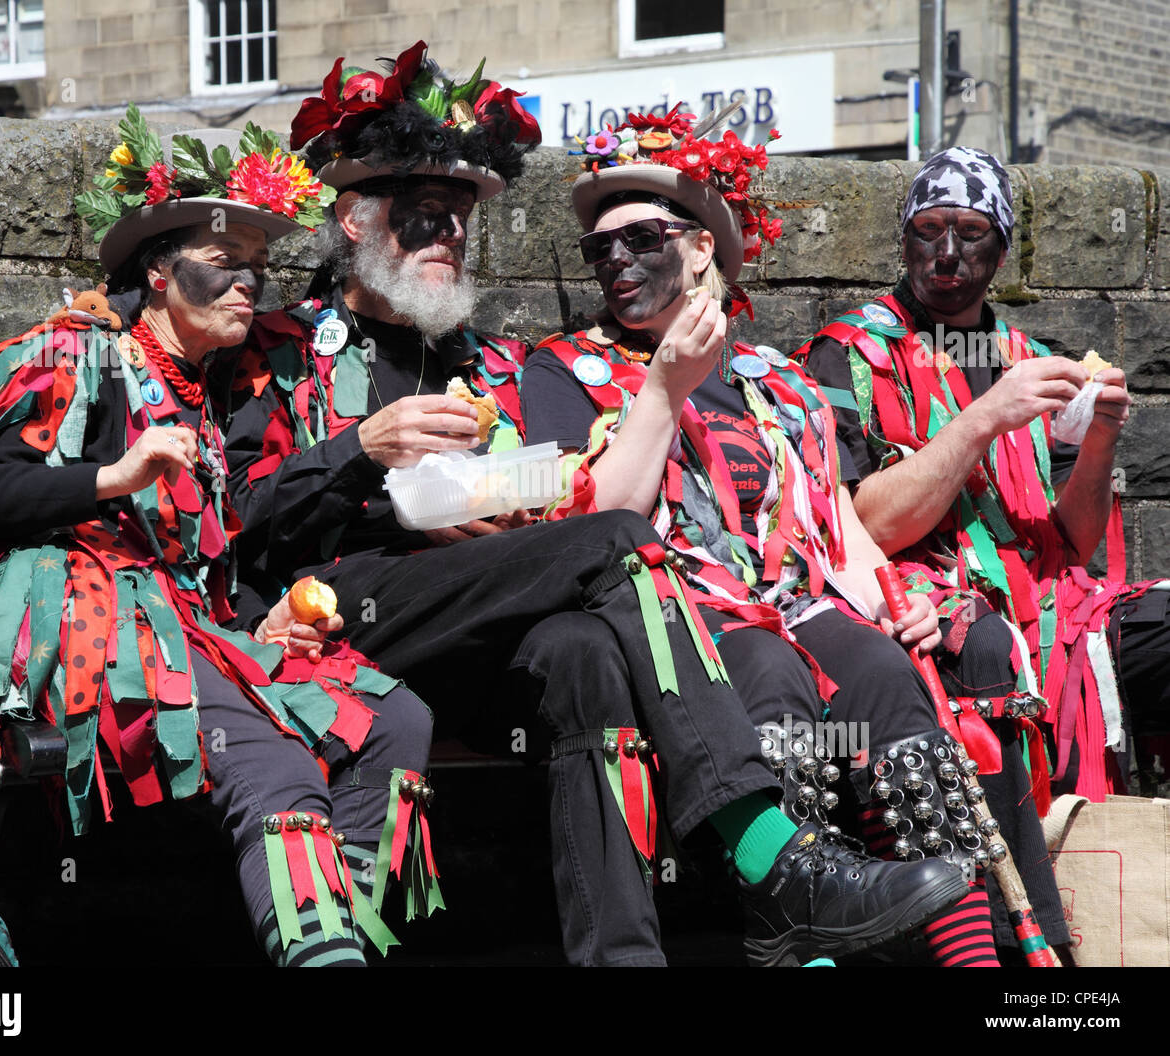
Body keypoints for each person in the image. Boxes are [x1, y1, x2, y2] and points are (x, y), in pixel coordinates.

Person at [221, 42, 968, 967]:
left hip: (474, 623)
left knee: (585, 657)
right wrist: (356, 453)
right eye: (421, 220)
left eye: (457, 221)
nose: (446, 238)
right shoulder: (279, 349)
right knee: (615, 539)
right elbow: (237, 515)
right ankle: (770, 859)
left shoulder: (488, 365)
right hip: (341, 620)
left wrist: (501, 508)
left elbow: (542, 501)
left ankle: (623, 957)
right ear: (353, 221)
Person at [0, 110, 437, 967]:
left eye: (256, 272)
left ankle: (341, 937)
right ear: (156, 273)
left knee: (391, 721)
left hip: (181, 631)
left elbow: (196, 568)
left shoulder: (198, 399)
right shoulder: (81, 355)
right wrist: (111, 477)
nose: (248, 287)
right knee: (272, 763)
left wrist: (258, 627)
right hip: (80, 625)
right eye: (222, 268)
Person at [520, 107, 1064, 965]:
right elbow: (596, 531)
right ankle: (796, 933)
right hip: (675, 619)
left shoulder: (773, 379)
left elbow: (833, 526)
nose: (616, 262)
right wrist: (662, 389)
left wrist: (905, 599)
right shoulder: (565, 370)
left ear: (704, 248)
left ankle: (978, 964)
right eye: (600, 249)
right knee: (773, 677)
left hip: (795, 605)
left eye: (643, 240)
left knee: (889, 673)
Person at [796, 146, 1166, 815]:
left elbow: (1072, 546)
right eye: (928, 229)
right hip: (915, 596)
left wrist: (1101, 437)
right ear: (903, 239)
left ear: (1000, 252)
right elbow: (865, 525)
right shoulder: (846, 353)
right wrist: (984, 417)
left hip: (1052, 602)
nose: (946, 252)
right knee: (987, 636)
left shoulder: (1028, 360)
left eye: (970, 234)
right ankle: (1010, 895)